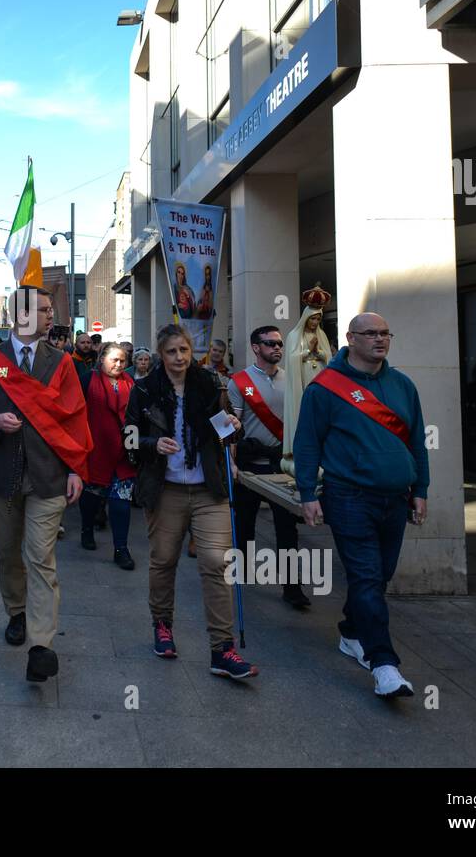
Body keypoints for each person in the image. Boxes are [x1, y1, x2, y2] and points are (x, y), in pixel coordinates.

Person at [294, 312, 428, 699]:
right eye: (371, 334)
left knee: (378, 576)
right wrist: (307, 493)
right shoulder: (324, 389)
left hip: (396, 499)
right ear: (350, 338)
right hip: (348, 496)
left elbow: (417, 440)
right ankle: (384, 665)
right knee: (367, 578)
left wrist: (421, 487)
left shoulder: (403, 385)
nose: (380, 340)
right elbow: (307, 444)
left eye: (386, 333)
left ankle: (352, 632)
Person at [0, 286, 92, 682]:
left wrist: (75, 469)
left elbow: (74, 418)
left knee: (41, 559)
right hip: (3, 476)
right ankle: (16, 611)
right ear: (20, 314)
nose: (51, 316)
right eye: (43, 309)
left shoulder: (62, 362)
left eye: (51, 309)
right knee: (7, 555)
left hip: (48, 479)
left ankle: (41, 646)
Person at [124, 324, 253, 674]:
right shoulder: (145, 390)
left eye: (184, 350)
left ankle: (222, 649)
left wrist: (233, 429)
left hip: (209, 488)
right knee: (164, 560)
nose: (179, 357)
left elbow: (222, 430)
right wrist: (153, 445)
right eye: (171, 352)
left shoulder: (210, 385)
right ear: (160, 354)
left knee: (217, 562)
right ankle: (162, 626)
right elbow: (129, 438)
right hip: (164, 489)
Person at [227, 326, 309, 608]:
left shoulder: (292, 380)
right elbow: (230, 428)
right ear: (255, 347)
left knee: (287, 529)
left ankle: (292, 587)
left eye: (279, 343)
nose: (277, 348)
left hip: (282, 466)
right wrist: (231, 463)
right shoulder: (238, 382)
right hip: (250, 465)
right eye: (270, 343)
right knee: (244, 524)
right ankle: (242, 571)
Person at [79, 342, 137, 568]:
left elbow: (136, 417)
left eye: (123, 360)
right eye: (114, 359)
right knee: (91, 497)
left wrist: (135, 445)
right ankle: (86, 529)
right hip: (95, 451)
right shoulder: (87, 380)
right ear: (102, 358)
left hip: (123, 453)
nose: (119, 364)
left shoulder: (131, 384)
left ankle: (121, 549)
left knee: (121, 503)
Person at [281, 284, 334, 474]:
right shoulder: (294, 335)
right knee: (302, 411)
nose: (315, 322)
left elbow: (329, 358)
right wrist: (306, 352)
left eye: (319, 318)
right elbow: (291, 359)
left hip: (318, 374)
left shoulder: (322, 335)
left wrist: (319, 353)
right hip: (301, 379)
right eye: (313, 318)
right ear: (306, 317)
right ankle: (299, 452)